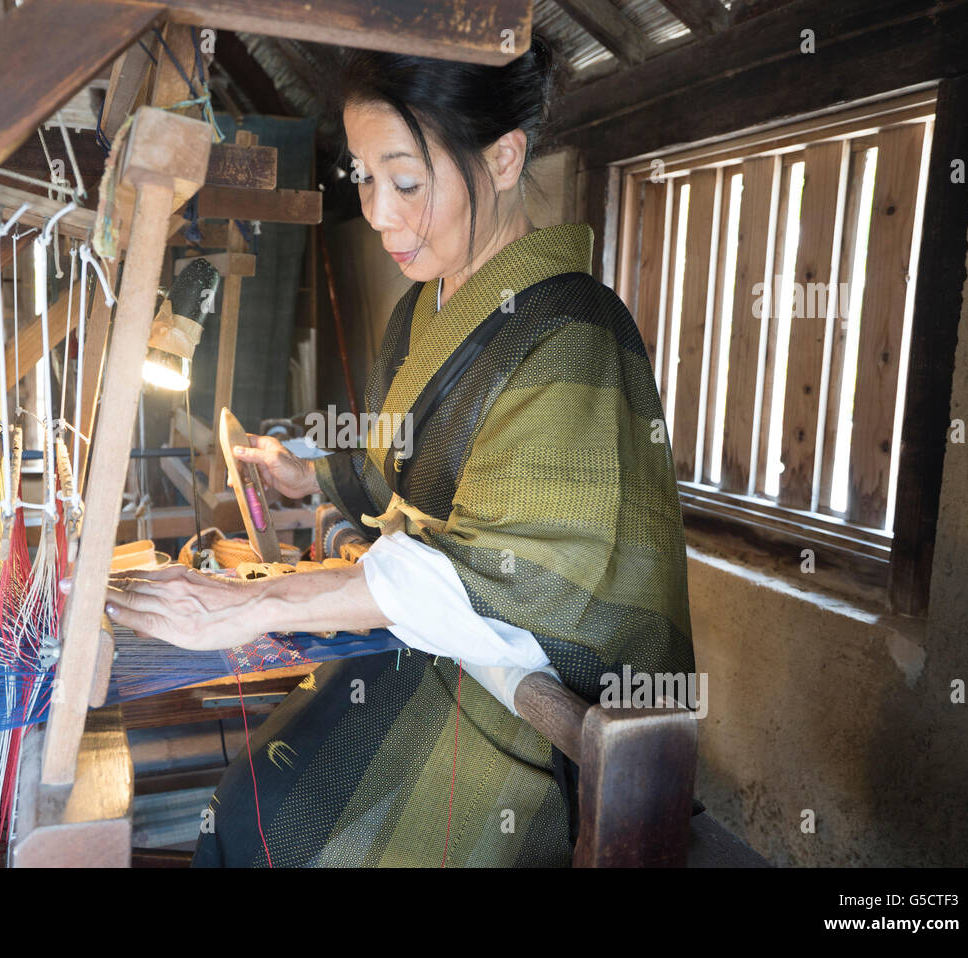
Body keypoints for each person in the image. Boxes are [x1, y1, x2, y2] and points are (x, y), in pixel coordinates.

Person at [86, 35, 695, 867]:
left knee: (295, 843)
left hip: (523, 717)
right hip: (428, 657)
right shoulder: (422, 313)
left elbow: (502, 573)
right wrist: (313, 470)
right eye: (366, 179)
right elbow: (400, 466)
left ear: (507, 157)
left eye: (406, 181)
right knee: (247, 804)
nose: (377, 212)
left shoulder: (571, 335)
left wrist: (250, 606)